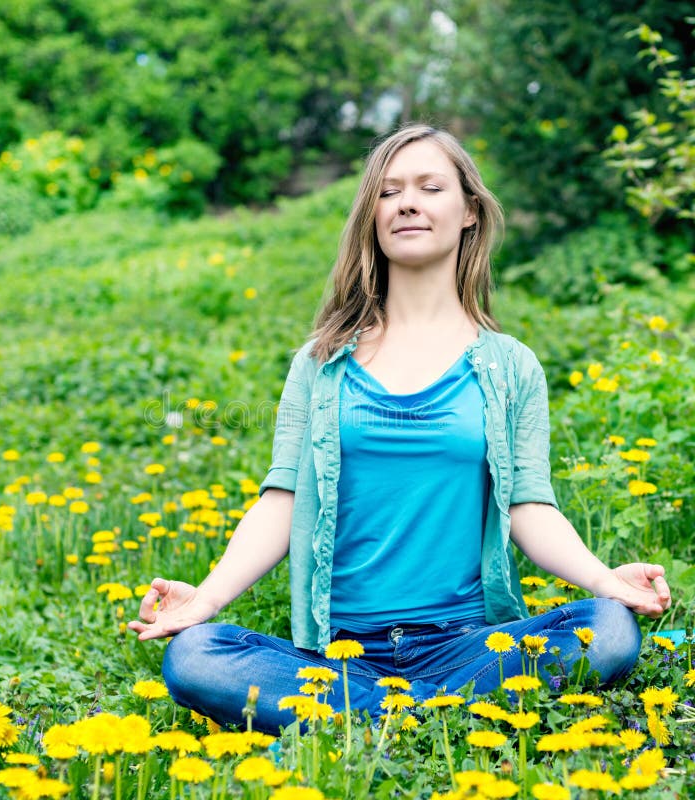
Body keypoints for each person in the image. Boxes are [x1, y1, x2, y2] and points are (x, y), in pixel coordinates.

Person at [128, 123, 672, 735]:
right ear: (373, 217)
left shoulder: (510, 366)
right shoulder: (320, 364)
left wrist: (606, 580)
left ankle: (375, 723)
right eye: (389, 192)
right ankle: (427, 717)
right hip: (339, 658)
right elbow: (282, 501)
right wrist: (205, 599)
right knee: (195, 657)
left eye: (429, 187)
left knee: (608, 631)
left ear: (468, 211)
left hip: (469, 648)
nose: (407, 202)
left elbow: (528, 507)